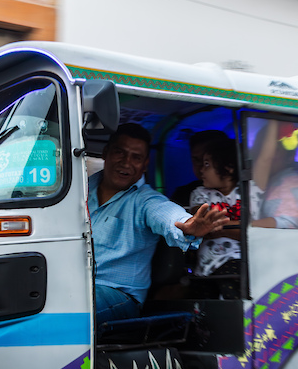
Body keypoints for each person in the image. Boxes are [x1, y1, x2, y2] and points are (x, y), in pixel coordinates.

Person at [89, 123, 228, 325]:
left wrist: (188, 226)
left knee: (72, 313)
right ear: (106, 153)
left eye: (136, 157)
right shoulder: (78, 190)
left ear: (145, 165)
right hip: (76, 287)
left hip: (119, 296)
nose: (126, 163)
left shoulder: (145, 200)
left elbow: (166, 214)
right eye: (120, 153)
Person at [189, 137, 242, 298]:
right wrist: (237, 227)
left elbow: (253, 230)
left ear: (229, 168)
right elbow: (204, 223)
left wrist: (222, 227)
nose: (201, 170)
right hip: (206, 267)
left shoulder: (247, 192)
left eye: (207, 164)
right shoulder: (199, 194)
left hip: (239, 263)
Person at [250, 119, 298, 229]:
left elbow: (285, 224)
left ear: (290, 157)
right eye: (260, 148)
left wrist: (235, 227)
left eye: (273, 150)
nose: (263, 154)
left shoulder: (295, 185)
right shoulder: (267, 181)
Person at [170, 129, 231, 207]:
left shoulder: (245, 189)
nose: (201, 168)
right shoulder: (183, 194)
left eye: (207, 162)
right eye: (196, 160)